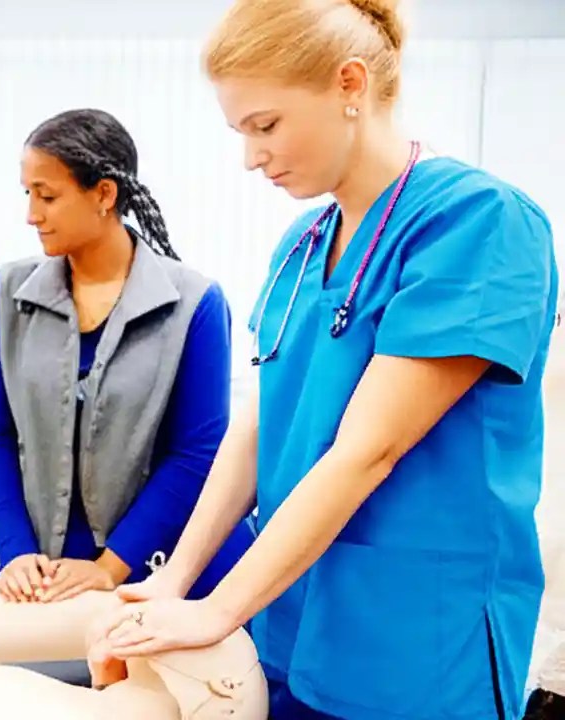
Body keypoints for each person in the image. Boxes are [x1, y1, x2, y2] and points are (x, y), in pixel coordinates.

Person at [92, 2, 558, 719]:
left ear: (350, 85)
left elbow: (369, 450)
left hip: (417, 643)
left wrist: (218, 609)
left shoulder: (479, 222)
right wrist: (174, 580)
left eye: (265, 125)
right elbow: (259, 423)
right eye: (240, 132)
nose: (252, 156)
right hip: (293, 619)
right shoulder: (302, 245)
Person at [0, 108, 255, 605]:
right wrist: (14, 551)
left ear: (104, 194)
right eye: (28, 193)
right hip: (47, 578)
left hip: (165, 573)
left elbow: (197, 453)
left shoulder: (194, 304)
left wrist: (112, 566)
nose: (31, 214)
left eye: (48, 196)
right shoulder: (7, 295)